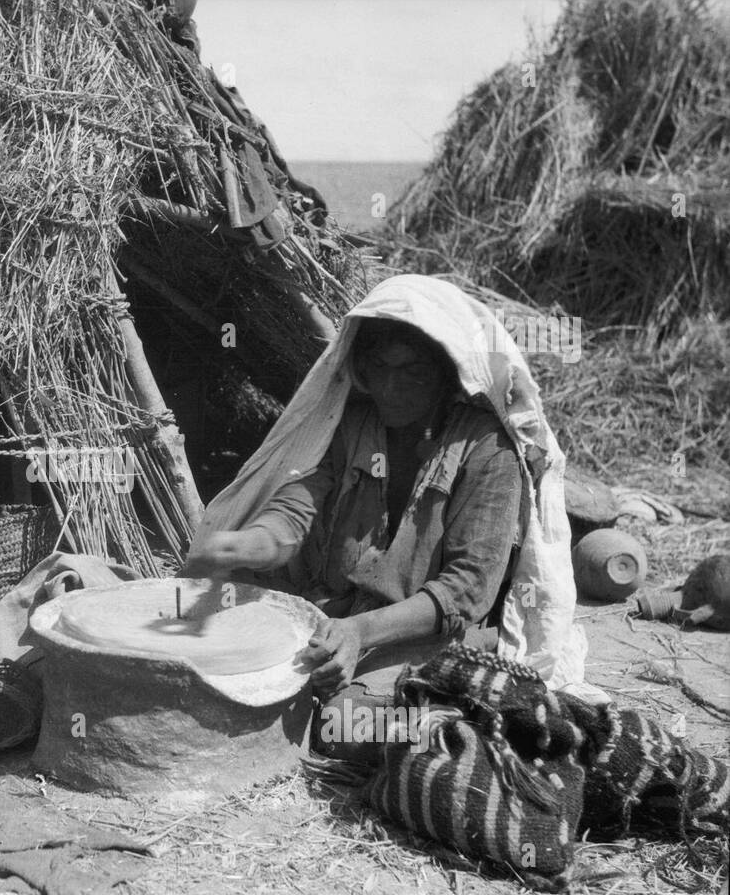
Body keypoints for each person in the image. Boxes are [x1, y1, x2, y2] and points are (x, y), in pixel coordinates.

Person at [183, 274, 592, 754]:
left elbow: (467, 590)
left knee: (342, 727)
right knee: (220, 645)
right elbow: (297, 510)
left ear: (446, 374)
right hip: (337, 612)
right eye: (379, 368)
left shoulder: (486, 448)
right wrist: (244, 545)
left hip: (425, 634)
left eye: (413, 372)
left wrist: (360, 634)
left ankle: (460, 731)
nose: (392, 388)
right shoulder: (355, 423)